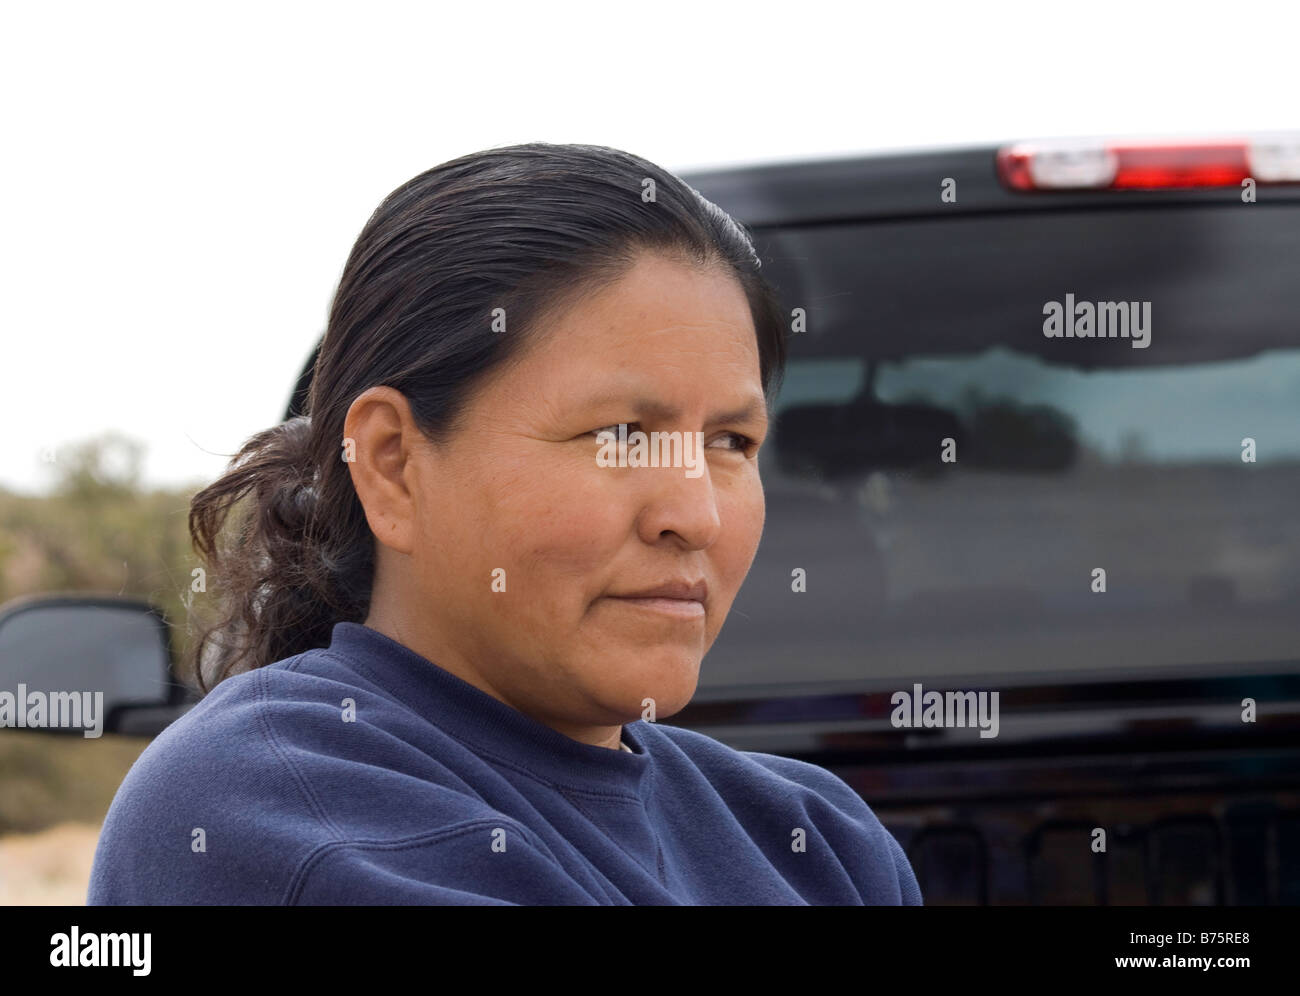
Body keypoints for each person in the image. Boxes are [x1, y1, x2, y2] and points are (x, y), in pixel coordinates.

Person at [88, 143, 922, 905]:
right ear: (392, 463)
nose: (696, 514)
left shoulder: (816, 839)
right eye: (619, 436)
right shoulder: (265, 807)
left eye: (730, 442)